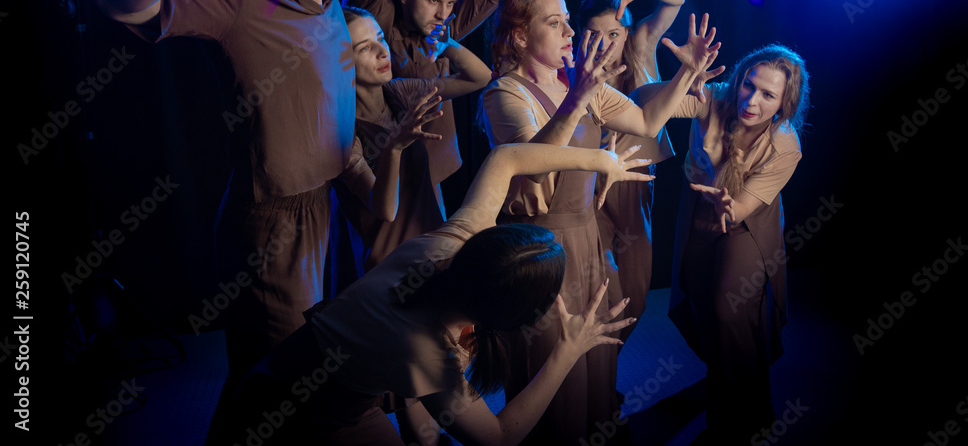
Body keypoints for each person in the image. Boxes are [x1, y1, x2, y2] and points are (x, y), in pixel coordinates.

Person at [92, 0, 458, 384]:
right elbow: (115, 2)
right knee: (282, 391)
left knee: (294, 385)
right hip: (271, 229)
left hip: (325, 212)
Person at [205, 142, 652, 446]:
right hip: (291, 419)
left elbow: (505, 157)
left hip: (288, 381)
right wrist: (567, 350)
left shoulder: (453, 246)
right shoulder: (429, 355)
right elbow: (498, 438)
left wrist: (600, 159)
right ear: (514, 319)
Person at [480, 0, 722, 444]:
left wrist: (685, 75)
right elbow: (531, 164)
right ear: (520, 36)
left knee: (594, 360)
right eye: (556, 23)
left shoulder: (580, 80)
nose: (571, 33)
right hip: (538, 248)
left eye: (568, 21)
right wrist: (577, 98)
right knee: (550, 363)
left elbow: (648, 121)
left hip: (587, 238)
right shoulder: (504, 93)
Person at [352, 0, 574, 213]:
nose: (444, 13)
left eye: (450, 3)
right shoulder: (374, 14)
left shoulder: (444, 26)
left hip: (429, 174)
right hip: (370, 170)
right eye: (432, 1)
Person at [664, 44, 810, 443]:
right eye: (749, 85)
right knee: (699, 301)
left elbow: (738, 211)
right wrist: (681, 80)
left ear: (783, 104)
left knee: (730, 311)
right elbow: (651, 109)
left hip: (745, 224)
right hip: (699, 207)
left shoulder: (784, 143)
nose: (751, 100)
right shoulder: (717, 96)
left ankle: (742, 422)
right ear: (740, 79)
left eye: (768, 95)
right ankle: (728, 387)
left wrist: (715, 172)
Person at [577, 0, 693, 342]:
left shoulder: (640, 45)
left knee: (635, 293)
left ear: (626, 31)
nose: (605, 42)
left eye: (614, 33)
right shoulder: (574, 67)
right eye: (595, 33)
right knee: (595, 284)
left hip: (635, 181)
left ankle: (608, 365)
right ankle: (598, 383)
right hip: (586, 181)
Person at [335, 5, 491, 270]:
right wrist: (394, 147)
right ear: (341, 62)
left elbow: (480, 77)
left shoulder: (399, 91)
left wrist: (448, 45)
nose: (382, 51)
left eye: (380, 39)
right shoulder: (344, 132)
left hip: (433, 252)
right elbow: (385, 210)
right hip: (390, 270)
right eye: (365, 48)